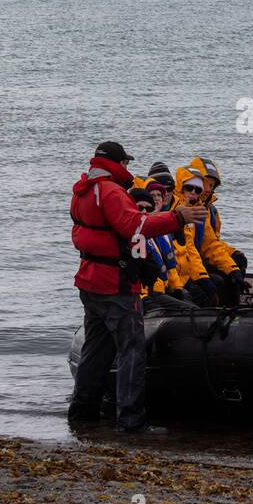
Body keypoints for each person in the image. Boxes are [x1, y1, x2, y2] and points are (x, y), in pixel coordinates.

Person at [68, 140, 207, 432]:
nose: (128, 168)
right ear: (116, 164)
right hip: (115, 283)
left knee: (96, 349)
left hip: (89, 280)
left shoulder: (82, 190)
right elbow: (136, 227)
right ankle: (131, 420)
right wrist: (177, 217)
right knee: (132, 348)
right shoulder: (111, 192)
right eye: (126, 163)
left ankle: (82, 412)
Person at [186, 156, 247, 304]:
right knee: (217, 281)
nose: (208, 189)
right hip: (187, 264)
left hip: (200, 258)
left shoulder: (209, 211)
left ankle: (231, 314)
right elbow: (188, 249)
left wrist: (232, 266)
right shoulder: (185, 209)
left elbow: (212, 243)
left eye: (212, 186)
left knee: (238, 262)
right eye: (205, 184)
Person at [171, 168, 219, 306]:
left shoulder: (202, 210)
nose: (193, 192)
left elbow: (209, 243)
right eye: (189, 188)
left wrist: (232, 268)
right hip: (176, 274)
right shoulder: (177, 210)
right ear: (181, 188)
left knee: (222, 281)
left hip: (189, 268)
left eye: (197, 190)